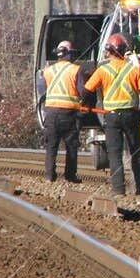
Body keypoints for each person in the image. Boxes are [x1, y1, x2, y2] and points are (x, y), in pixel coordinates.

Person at [85, 33, 140, 196]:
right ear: (123, 51)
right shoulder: (133, 70)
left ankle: (119, 190)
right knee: (136, 153)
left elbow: (87, 90)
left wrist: (87, 106)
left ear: (109, 51)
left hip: (111, 116)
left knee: (115, 154)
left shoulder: (102, 70)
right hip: (131, 116)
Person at [37, 39, 84, 183]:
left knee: (51, 145)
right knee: (71, 146)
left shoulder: (48, 70)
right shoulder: (76, 69)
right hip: (69, 114)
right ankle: (70, 175)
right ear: (69, 54)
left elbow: (41, 90)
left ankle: (49, 176)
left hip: (51, 113)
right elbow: (82, 92)